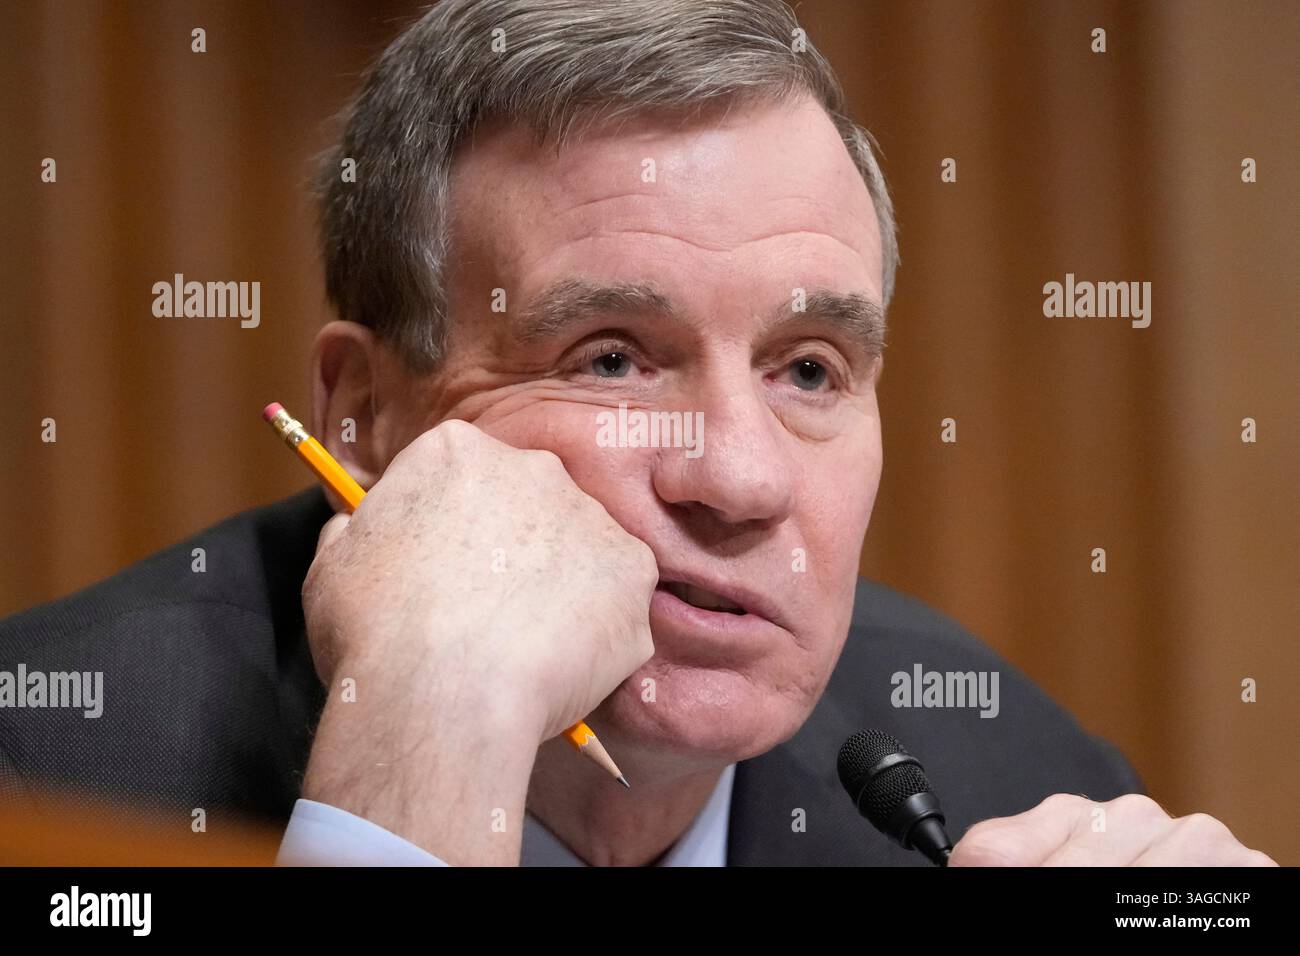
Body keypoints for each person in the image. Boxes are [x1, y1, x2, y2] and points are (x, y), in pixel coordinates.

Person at [0, 0, 1275, 867]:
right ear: (366, 420)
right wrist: (431, 724)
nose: (740, 475)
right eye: (611, 357)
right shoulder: (47, 767)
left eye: (811, 369)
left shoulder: (1009, 765)